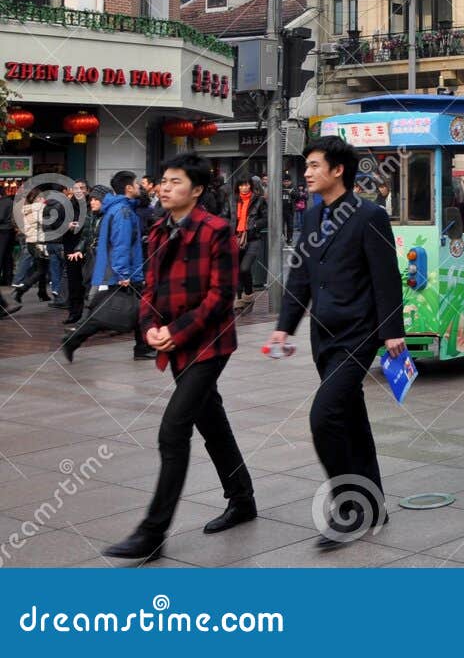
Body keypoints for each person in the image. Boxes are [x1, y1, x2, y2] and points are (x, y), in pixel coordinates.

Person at [101, 154, 255, 561]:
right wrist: (150, 325)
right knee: (212, 421)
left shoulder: (216, 231)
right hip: (175, 344)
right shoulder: (156, 231)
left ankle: (152, 532)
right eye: (163, 182)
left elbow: (221, 296)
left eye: (174, 182)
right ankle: (242, 499)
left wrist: (177, 330)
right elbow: (149, 287)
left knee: (173, 430)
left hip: (209, 344)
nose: (164, 188)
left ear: (197, 190)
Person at [268, 135, 406, 549]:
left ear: (337, 170)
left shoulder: (369, 217)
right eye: (306, 166)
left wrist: (392, 330)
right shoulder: (311, 218)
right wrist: (284, 326)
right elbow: (301, 277)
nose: (306, 173)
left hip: (357, 335)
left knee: (323, 417)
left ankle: (349, 509)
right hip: (322, 335)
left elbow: (387, 277)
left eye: (313, 166)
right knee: (350, 420)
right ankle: (372, 505)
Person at [62, 172, 153, 360]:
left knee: (138, 308)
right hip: (122, 272)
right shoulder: (123, 212)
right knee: (105, 313)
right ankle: (72, 340)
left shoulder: (119, 209)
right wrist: (123, 274)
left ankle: (142, 348)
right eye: (136, 184)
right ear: (128, 188)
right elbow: (121, 244)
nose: (139, 187)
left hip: (119, 270)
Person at [61, 185, 102, 326]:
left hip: (90, 250)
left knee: (91, 284)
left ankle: (95, 317)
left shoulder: (94, 207)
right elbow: (52, 226)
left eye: (82, 188)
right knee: (74, 282)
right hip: (72, 248)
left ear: (87, 191)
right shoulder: (66, 207)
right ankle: (75, 313)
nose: (79, 190)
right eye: (75, 188)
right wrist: (67, 226)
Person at [228, 176, 268, 311]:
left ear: (251, 186)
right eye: (241, 185)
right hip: (235, 238)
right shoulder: (232, 200)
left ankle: (249, 294)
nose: (244, 188)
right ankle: (239, 299)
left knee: (244, 268)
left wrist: (255, 225)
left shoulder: (259, 200)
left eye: (246, 185)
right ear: (237, 187)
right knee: (238, 270)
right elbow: (225, 216)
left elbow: (266, 218)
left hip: (252, 239)